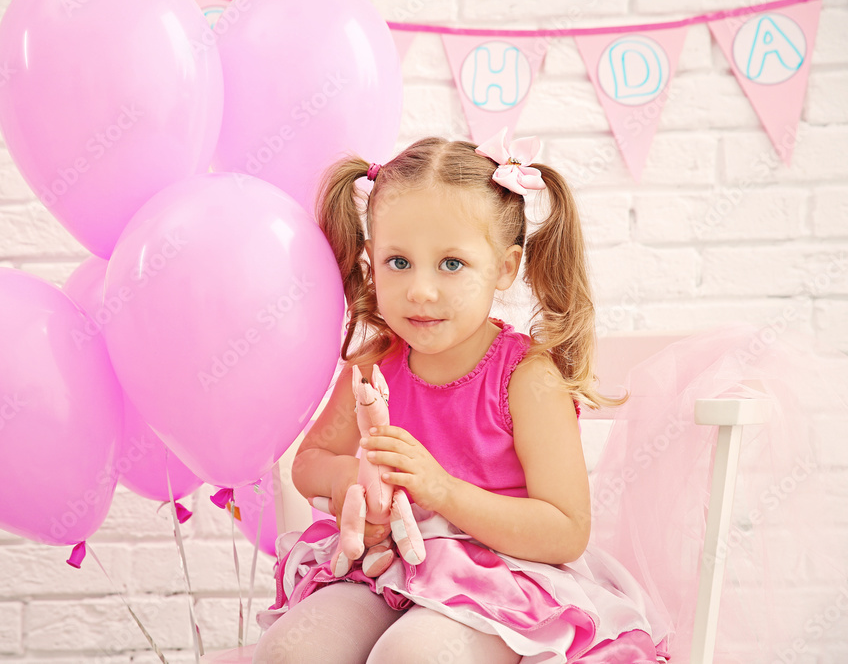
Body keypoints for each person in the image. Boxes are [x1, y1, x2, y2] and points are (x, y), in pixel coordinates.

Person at [252, 127, 674, 664]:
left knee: (414, 657)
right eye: (398, 262)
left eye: (451, 264)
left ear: (504, 268)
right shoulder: (374, 363)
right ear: (370, 263)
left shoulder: (526, 378)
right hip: (386, 567)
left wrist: (441, 489)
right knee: (292, 651)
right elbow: (311, 459)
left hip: (503, 581)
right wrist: (346, 483)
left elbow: (565, 531)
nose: (421, 291)